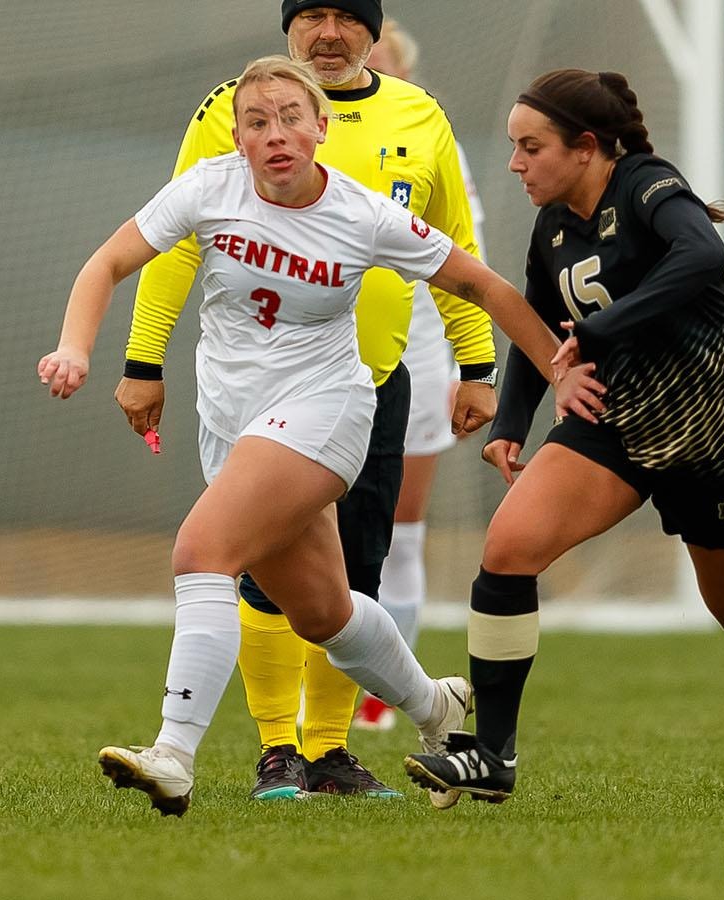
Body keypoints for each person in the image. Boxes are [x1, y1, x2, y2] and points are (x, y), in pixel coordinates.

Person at [39, 57, 587, 817]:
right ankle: (436, 707)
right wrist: (75, 346)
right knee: (322, 613)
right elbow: (109, 262)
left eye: (291, 118)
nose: (276, 134)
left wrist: (555, 376)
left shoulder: (363, 215)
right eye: (257, 122)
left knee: (202, 553)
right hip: (233, 423)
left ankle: (172, 753)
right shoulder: (210, 187)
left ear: (322, 129)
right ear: (237, 138)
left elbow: (483, 284)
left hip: (325, 411)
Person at [404, 69, 724, 815]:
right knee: (508, 548)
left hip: (709, 427)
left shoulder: (647, 186)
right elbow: (540, 322)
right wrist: (510, 425)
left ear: (588, 147)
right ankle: (493, 755)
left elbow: (704, 256)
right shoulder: (553, 225)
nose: (516, 163)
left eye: (531, 147)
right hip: (614, 424)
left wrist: (601, 328)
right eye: (513, 147)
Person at [116, 0, 496, 802]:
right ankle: (276, 749)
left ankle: (331, 750)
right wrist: (143, 356)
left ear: (375, 29)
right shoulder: (233, 107)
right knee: (245, 563)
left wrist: (476, 361)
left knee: (348, 577)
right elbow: (178, 234)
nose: (328, 33)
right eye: (310, 15)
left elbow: (453, 248)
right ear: (288, 27)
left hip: (370, 380)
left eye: (346, 17)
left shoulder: (421, 115)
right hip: (253, 390)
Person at [352, 17, 488, 733]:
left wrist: (474, 364)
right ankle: (312, 692)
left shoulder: (433, 143)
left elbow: (466, 255)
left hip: (422, 351)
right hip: (325, 353)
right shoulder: (309, 142)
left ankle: (379, 692)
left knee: (398, 531)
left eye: (383, 64)